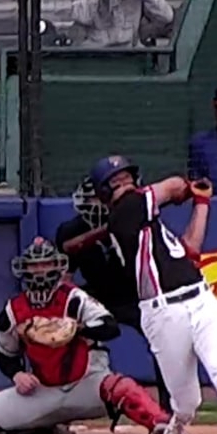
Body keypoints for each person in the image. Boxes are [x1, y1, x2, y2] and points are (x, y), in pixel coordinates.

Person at [84, 153, 217, 434]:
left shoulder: (151, 227)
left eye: (126, 178)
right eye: (115, 181)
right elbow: (173, 186)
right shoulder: (125, 212)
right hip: (163, 313)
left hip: (201, 298)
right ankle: (179, 420)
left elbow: (190, 251)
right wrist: (188, 188)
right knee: (187, 397)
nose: (123, 184)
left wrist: (201, 204)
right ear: (104, 192)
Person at [0, 237, 169, 434]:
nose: (40, 271)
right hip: (44, 390)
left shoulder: (74, 299)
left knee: (121, 388)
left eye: (45, 264)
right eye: (34, 266)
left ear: (57, 266)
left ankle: (161, 425)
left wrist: (76, 329)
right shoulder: (14, 310)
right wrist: (17, 374)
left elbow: (110, 328)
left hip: (86, 384)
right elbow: (4, 351)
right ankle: (44, 428)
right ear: (24, 269)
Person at [55, 174, 175, 416]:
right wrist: (65, 318)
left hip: (135, 294)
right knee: (60, 332)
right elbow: (65, 280)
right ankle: (58, 407)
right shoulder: (70, 231)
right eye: (92, 199)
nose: (97, 205)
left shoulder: (133, 220)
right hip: (97, 294)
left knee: (165, 341)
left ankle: (169, 409)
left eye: (101, 199)